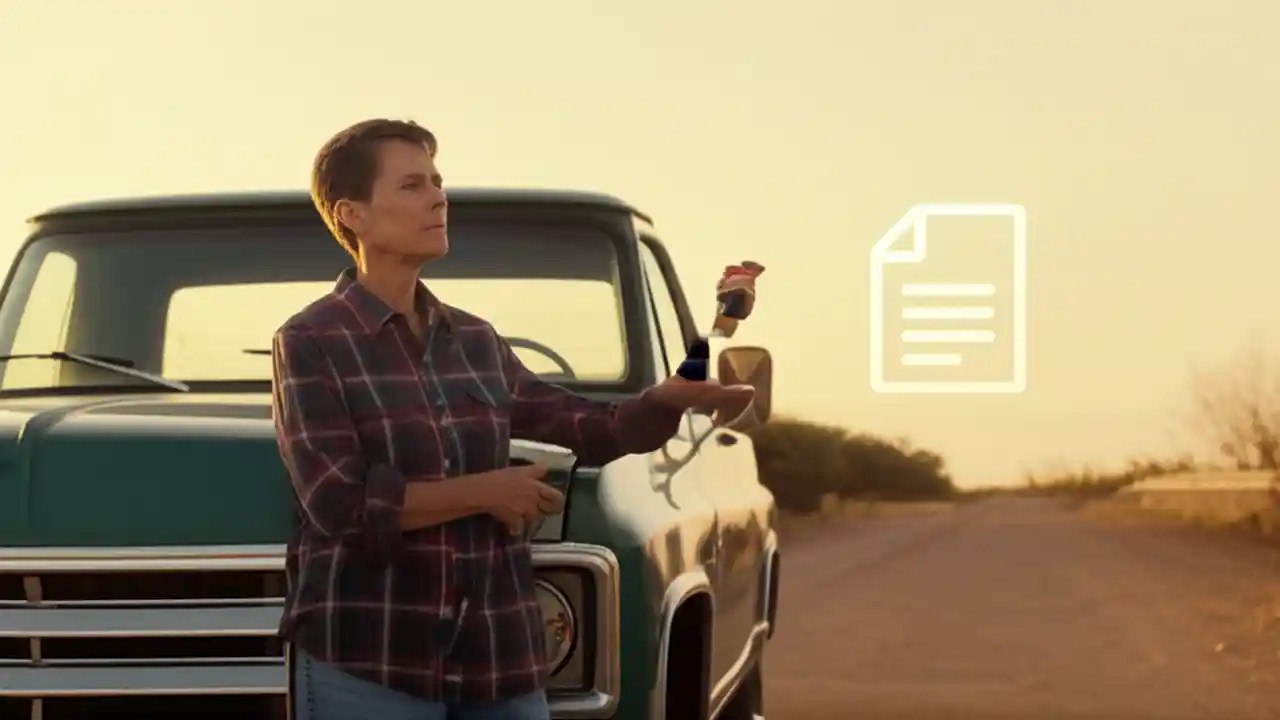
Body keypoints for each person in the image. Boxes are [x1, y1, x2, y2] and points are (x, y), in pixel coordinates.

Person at [270, 118, 763, 720]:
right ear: (353, 214)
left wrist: (665, 400)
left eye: (438, 182)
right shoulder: (311, 340)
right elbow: (338, 503)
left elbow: (588, 428)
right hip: (374, 657)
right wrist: (487, 493)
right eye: (412, 185)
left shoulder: (474, 339)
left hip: (499, 654)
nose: (438, 197)